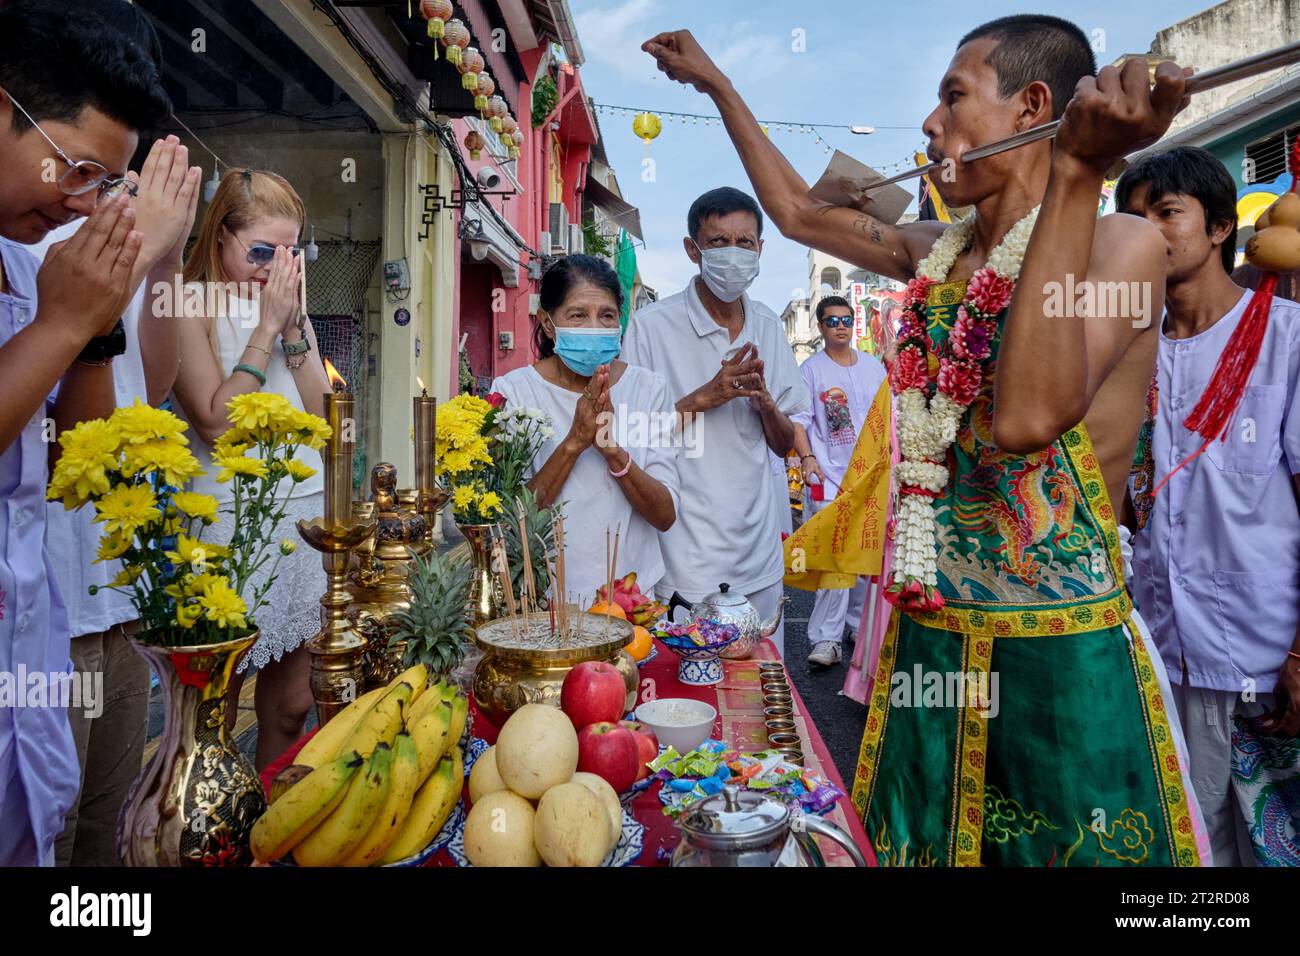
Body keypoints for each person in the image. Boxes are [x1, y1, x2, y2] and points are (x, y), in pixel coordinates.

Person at [645, 16, 1209, 865]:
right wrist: (720, 85)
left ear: (1034, 107)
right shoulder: (936, 254)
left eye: (952, 97)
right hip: (934, 639)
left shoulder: (1125, 246)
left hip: (1062, 660)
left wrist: (1078, 170)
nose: (929, 126)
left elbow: (1026, 417)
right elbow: (799, 212)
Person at [29, 0, 201, 868]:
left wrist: (163, 262)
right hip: (44, 587)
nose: (94, 190)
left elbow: (155, 382)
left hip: (115, 578)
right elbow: (61, 442)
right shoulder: (34, 226)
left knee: (107, 808)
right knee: (44, 815)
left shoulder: (122, 219)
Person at [1119, 146, 1300, 866]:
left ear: (1221, 226)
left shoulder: (1286, 337)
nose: (1148, 234)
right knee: (1195, 841)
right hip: (1167, 646)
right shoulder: (1130, 353)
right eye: (1133, 219)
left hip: (1264, 648)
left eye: (1166, 213)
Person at [171, 169, 330, 771]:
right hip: (228, 525)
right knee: (214, 706)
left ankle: (269, 829)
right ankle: (208, 837)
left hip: (301, 519)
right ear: (219, 238)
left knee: (292, 705)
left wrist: (293, 327)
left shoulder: (291, 312)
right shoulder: (189, 303)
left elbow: (322, 418)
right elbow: (215, 421)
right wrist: (264, 327)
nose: (272, 269)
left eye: (288, 254)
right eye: (259, 252)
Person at [622, 187, 808, 656]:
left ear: (761, 250)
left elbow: (784, 444)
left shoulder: (767, 326)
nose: (733, 255)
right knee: (689, 699)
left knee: (764, 695)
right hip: (684, 561)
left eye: (745, 243)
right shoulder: (651, 327)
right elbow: (632, 438)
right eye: (719, 242)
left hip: (758, 557)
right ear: (692, 250)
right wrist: (708, 395)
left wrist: (765, 402)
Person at [489, 254, 678, 603]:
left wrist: (611, 450)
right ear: (547, 323)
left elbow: (665, 515)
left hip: (631, 600)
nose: (594, 328)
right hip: (544, 601)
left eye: (606, 315)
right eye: (577, 315)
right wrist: (575, 442)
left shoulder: (649, 389)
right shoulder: (513, 392)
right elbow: (508, 520)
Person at [791, 296, 887, 667]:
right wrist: (808, 458)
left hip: (872, 480)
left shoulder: (874, 367)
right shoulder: (811, 370)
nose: (841, 326)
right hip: (830, 479)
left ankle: (857, 626)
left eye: (846, 320)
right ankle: (825, 639)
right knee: (835, 561)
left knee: (865, 560)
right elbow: (799, 421)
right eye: (832, 321)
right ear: (821, 327)